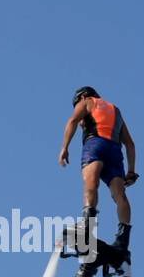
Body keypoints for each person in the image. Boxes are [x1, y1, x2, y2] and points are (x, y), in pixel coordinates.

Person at [58, 86, 138, 251]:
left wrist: (64, 147)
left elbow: (72, 121)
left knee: (91, 184)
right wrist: (131, 170)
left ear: (82, 97)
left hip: (96, 144)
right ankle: (123, 242)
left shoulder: (87, 101)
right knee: (120, 195)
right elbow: (130, 144)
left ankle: (86, 228)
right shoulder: (115, 110)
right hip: (115, 152)